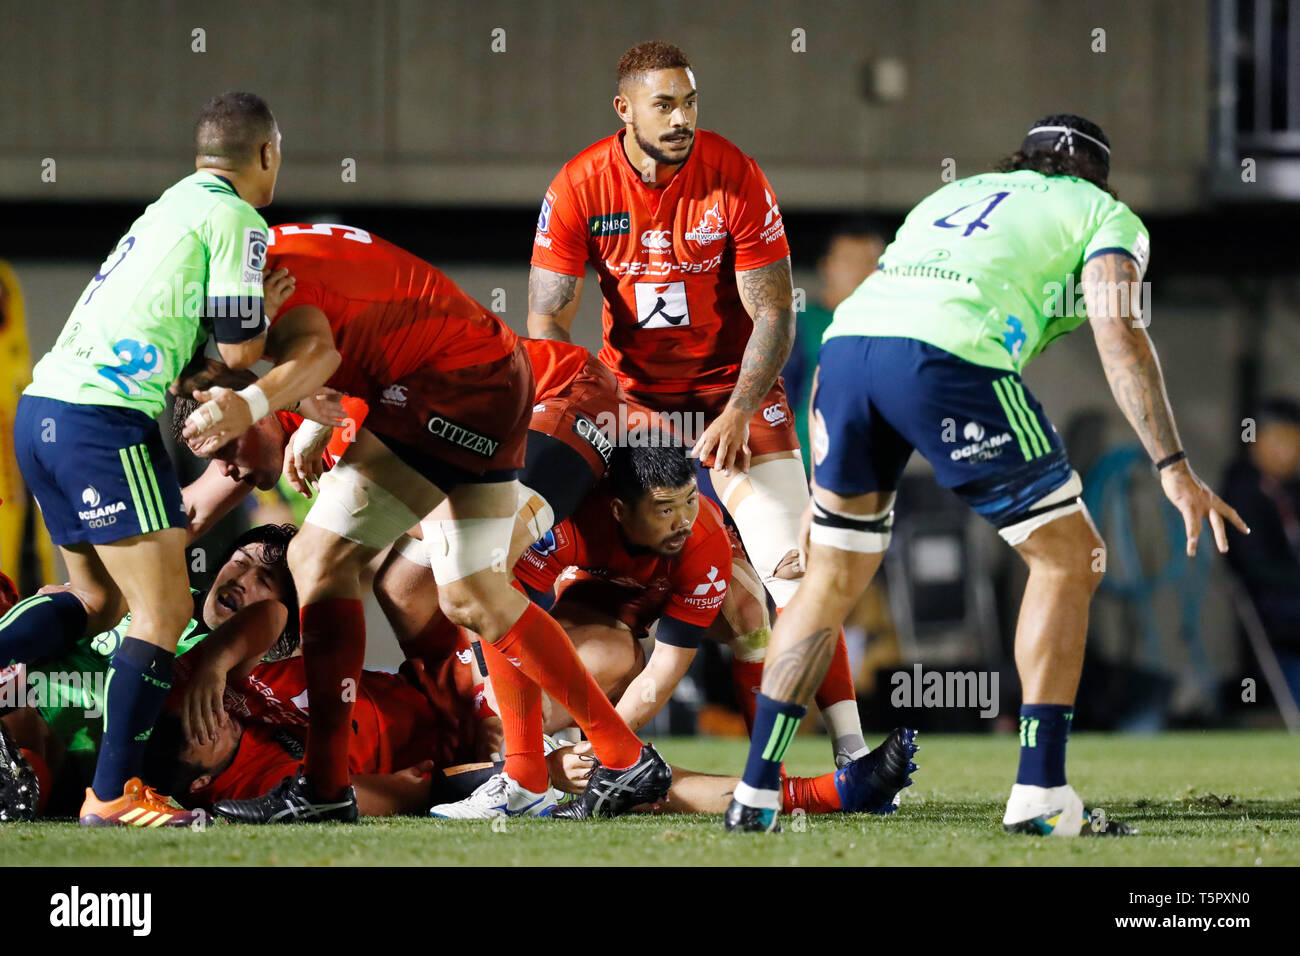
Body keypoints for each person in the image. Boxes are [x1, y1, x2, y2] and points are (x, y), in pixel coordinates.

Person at [725, 114, 1247, 835]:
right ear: (1096, 174)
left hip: (848, 354)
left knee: (829, 580)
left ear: (1021, 158)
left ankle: (755, 792)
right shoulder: (1104, 213)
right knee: (1069, 556)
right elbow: (1118, 329)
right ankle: (1040, 793)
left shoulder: (953, 196)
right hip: (946, 355)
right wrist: (1173, 465)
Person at [185, 223, 669, 823]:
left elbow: (311, 356)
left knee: (396, 566)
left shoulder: (296, 366)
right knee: (452, 586)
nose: (229, 468)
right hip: (473, 385)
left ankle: (345, 782)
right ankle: (555, 762)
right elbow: (204, 494)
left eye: (228, 450)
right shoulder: (308, 385)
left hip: (553, 391)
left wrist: (257, 397)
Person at [526, 40, 867, 764]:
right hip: (634, 399)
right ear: (625, 110)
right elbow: (547, 322)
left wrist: (740, 409)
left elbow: (774, 315)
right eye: (664, 104)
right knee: (557, 550)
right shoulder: (579, 184)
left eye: (690, 102)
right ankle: (545, 747)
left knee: (792, 574)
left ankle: (853, 752)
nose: (682, 118)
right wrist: (577, 407)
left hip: (731, 392)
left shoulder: (735, 173)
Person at [1, 92, 281, 827]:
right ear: (266, 155)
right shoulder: (238, 219)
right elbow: (240, 348)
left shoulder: (170, 206)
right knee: (164, 610)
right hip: (102, 420)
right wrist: (268, 303)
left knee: (98, 601)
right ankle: (113, 793)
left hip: (44, 413)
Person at [0, 523, 296, 820]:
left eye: (264, 580)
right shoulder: (158, 590)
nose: (242, 580)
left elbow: (272, 616)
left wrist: (213, 665)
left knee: (27, 734)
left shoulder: (242, 669)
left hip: (66, 755)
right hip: (19, 686)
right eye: (239, 562)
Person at [781, 223, 885, 463]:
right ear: (826, 266)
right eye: (849, 260)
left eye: (871, 261)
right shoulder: (795, 324)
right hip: (805, 466)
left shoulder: (892, 327)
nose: (861, 271)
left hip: (872, 468)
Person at [1222, 397, 1300, 705]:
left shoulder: (1292, 490)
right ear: (1256, 441)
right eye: (1280, 440)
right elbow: (1252, 562)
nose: (1290, 451)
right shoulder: (1242, 489)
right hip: (1270, 601)